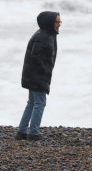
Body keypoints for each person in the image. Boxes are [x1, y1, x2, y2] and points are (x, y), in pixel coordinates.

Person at [16, 10, 60, 141]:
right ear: (49, 23)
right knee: (39, 103)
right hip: (37, 76)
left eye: (59, 22)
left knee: (32, 103)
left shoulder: (47, 34)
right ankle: (33, 133)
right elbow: (37, 59)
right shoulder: (44, 37)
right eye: (57, 22)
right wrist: (44, 74)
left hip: (33, 76)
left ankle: (22, 131)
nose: (59, 24)